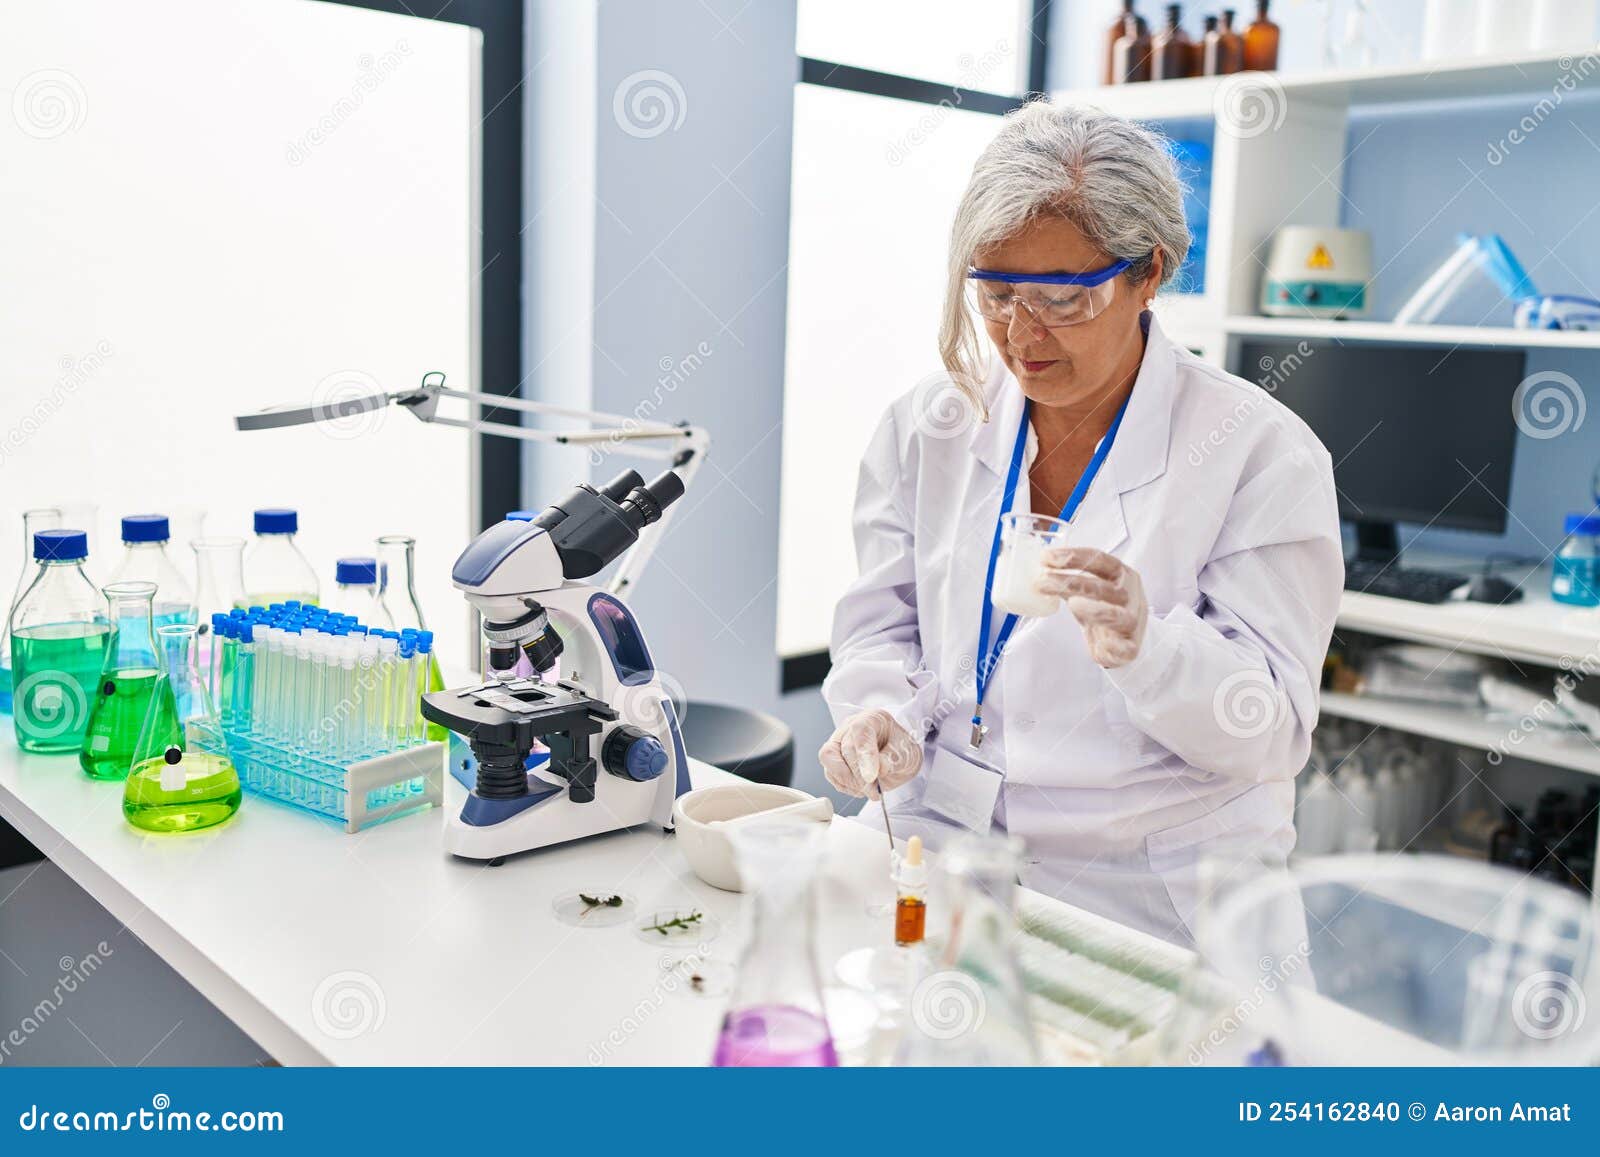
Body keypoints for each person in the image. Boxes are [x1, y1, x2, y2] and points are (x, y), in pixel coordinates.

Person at [818, 101, 1342, 946]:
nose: (1022, 335)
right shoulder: (930, 424)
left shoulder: (1261, 455)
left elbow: (1270, 729)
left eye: (1062, 298)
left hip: (1146, 889)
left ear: (1151, 274)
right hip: (940, 847)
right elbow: (883, 623)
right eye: (996, 291)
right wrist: (882, 714)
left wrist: (1151, 649)